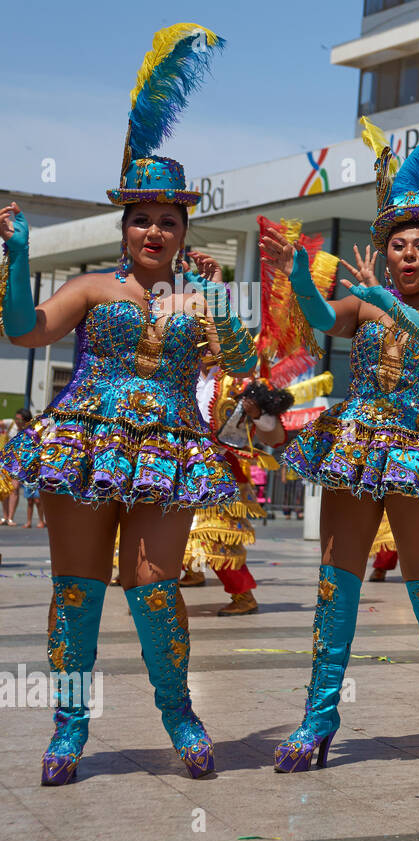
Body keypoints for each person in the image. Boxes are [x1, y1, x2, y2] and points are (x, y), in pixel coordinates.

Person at [0, 25, 254, 784]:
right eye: (142, 218)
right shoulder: (91, 288)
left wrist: (222, 306)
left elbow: (241, 366)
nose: (154, 231)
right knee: (76, 594)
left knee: (153, 591)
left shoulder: (201, 294)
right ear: (125, 227)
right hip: (84, 446)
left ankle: (180, 715)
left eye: (168, 220)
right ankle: (70, 728)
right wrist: (14, 260)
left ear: (184, 230)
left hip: (169, 453)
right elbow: (21, 329)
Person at [259, 115, 419, 770]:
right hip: (356, 441)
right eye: (398, 246)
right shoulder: (362, 306)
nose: (406, 255)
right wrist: (305, 278)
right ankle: (318, 719)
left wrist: (378, 298)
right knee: (337, 580)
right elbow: (318, 321)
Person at [182, 370, 291, 616]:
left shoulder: (242, 378)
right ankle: (186, 577)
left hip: (220, 473)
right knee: (169, 532)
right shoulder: (179, 368)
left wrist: (257, 414)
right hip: (178, 468)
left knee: (214, 536)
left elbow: (274, 436)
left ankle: (243, 595)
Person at [1, 409, 33, 525]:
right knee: (5, 488)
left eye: (20, 419)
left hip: (19, 462)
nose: (17, 421)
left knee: (14, 488)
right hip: (6, 460)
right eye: (16, 418)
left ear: (26, 420)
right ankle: (4, 516)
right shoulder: (11, 424)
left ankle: (10, 517)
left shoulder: (29, 430)